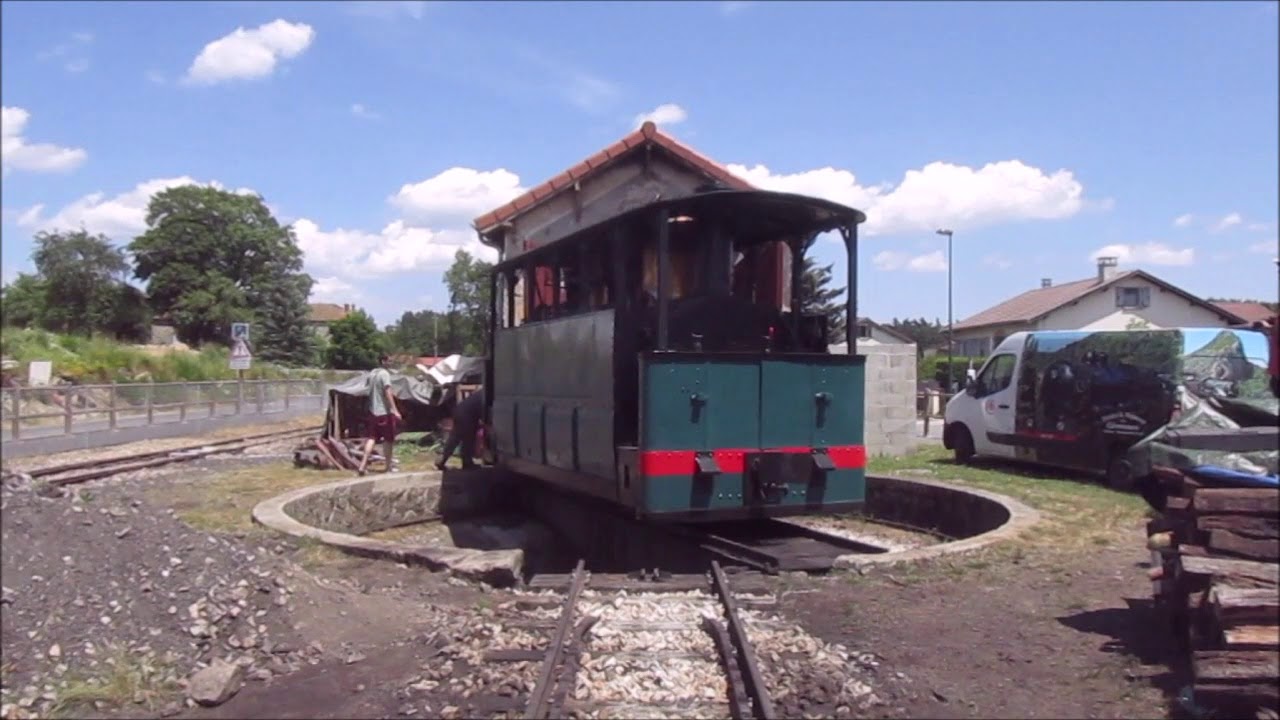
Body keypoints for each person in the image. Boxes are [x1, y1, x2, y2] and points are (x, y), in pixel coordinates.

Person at [358, 354, 401, 475]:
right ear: (383, 361)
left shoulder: (372, 373)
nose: (391, 363)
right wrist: (394, 409)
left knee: (372, 438)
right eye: (389, 361)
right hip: (384, 412)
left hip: (373, 411)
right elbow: (388, 391)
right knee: (388, 440)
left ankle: (362, 465)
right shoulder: (384, 374)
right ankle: (388, 467)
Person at [436, 387, 486, 471]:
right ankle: (467, 463)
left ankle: (442, 459)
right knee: (468, 439)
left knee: (455, 437)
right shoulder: (487, 395)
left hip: (460, 411)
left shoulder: (483, 393)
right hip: (467, 415)